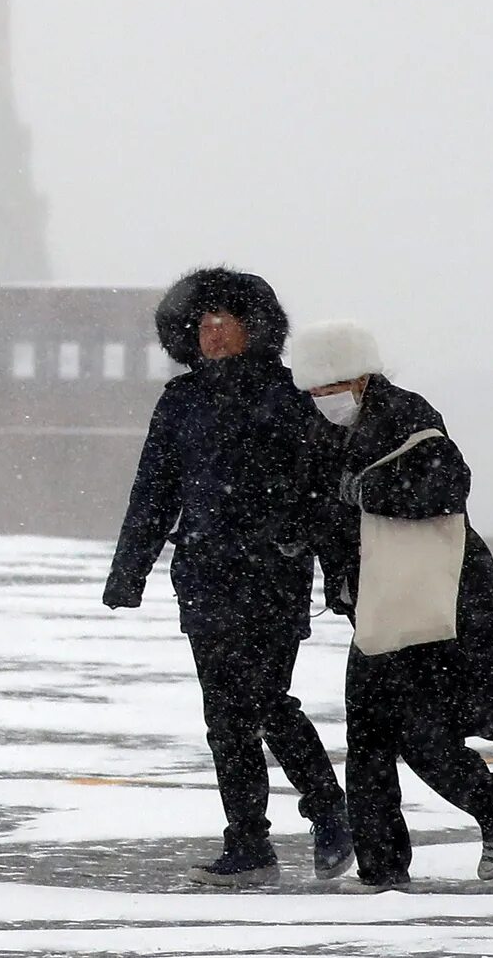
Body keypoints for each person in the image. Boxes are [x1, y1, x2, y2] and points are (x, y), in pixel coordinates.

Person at [104, 268, 353, 887]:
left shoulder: (292, 397)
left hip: (273, 574)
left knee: (268, 702)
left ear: (254, 327)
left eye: (226, 320)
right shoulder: (179, 401)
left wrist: (337, 571)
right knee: (224, 715)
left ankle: (330, 814)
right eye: (203, 322)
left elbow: (324, 495)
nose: (213, 332)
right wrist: (128, 571)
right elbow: (153, 492)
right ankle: (248, 844)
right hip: (206, 575)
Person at [289, 320, 493, 891]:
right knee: (368, 742)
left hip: (434, 605)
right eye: (311, 393)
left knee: (421, 738)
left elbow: (447, 486)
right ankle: (382, 869)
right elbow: (315, 501)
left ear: (358, 378)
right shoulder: (318, 430)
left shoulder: (405, 415)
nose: (319, 403)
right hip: (376, 608)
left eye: (327, 391)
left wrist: (367, 492)